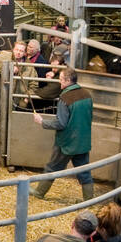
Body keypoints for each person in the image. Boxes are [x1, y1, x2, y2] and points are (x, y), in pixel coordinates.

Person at [31, 66, 93, 200]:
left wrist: (42, 121)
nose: (60, 82)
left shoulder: (65, 98)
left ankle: (39, 192)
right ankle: (89, 200)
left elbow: (61, 123)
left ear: (68, 80)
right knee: (84, 172)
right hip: (82, 140)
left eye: (61, 80)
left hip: (66, 141)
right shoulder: (87, 95)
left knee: (52, 167)